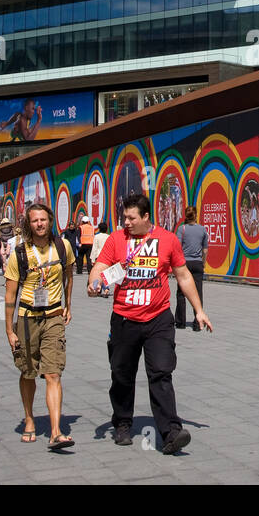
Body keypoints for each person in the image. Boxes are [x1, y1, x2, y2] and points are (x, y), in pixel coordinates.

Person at [88, 192, 212, 453]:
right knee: (121, 374)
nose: (127, 223)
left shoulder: (167, 240)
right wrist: (94, 281)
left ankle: (171, 432)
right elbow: (100, 266)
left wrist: (198, 310)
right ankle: (122, 423)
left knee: (161, 373)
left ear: (146, 217)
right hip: (124, 319)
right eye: (124, 218)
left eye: (132, 218)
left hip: (158, 319)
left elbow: (183, 275)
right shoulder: (116, 239)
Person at [3, 202, 74, 450]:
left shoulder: (63, 247)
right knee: (28, 372)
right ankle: (30, 419)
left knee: (53, 373)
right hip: (27, 317)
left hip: (54, 315)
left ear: (50, 220)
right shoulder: (19, 253)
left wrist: (68, 304)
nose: (40, 224)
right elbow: (10, 295)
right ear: (28, 223)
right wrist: (9, 330)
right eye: (35, 221)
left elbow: (69, 276)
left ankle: (56, 431)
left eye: (43, 219)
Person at [175, 206, 208, 331]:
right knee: (198, 292)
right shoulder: (202, 230)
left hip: (184, 264)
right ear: (196, 215)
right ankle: (197, 322)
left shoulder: (181, 229)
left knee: (181, 293)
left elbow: (177, 247)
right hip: (197, 263)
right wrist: (203, 262)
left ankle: (180, 322)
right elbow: (205, 249)